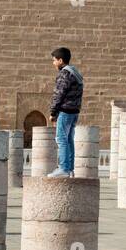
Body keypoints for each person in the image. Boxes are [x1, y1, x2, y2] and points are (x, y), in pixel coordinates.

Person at [46, 46, 84, 178]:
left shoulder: (64, 73)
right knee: (68, 140)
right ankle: (70, 169)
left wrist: (53, 112)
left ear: (60, 60)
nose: (53, 63)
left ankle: (63, 168)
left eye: (54, 60)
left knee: (61, 139)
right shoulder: (75, 72)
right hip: (74, 111)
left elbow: (59, 94)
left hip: (65, 111)